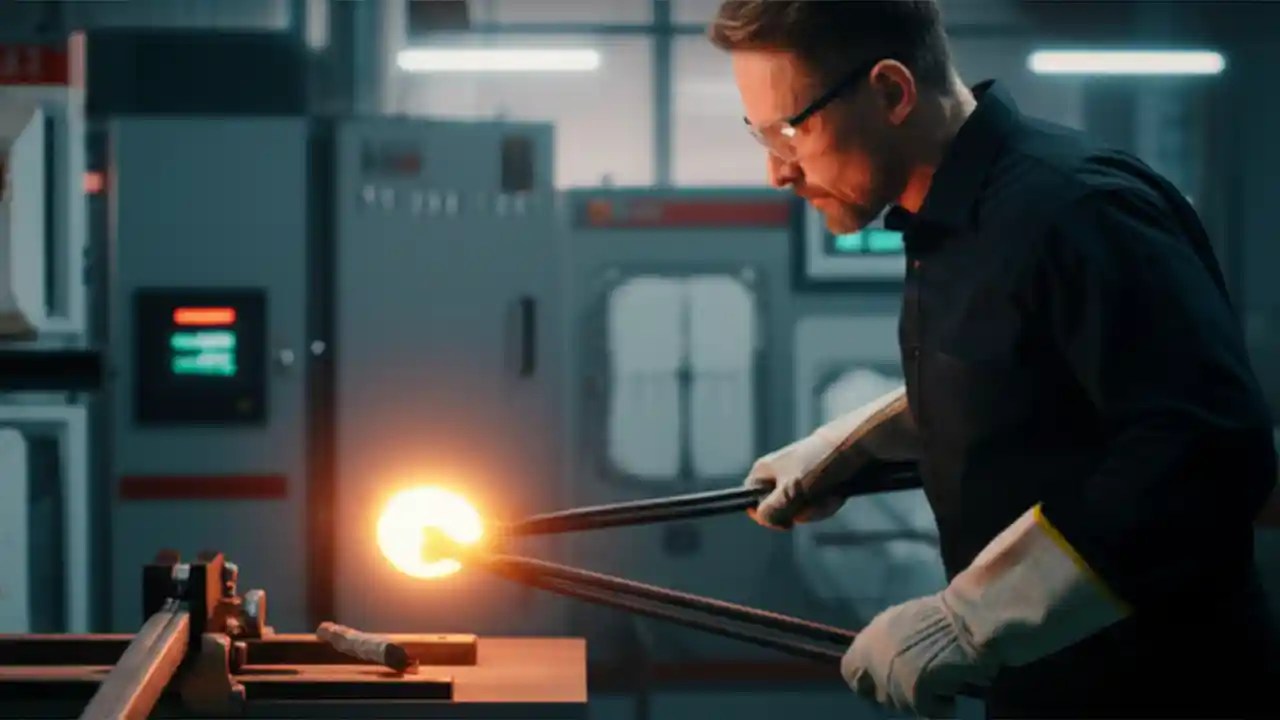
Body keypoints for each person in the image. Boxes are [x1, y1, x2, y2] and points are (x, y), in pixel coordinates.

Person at [711, 1, 1279, 717]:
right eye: (760, 133)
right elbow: (1034, 376)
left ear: (891, 92)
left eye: (790, 131)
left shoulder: (1077, 210)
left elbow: (1207, 451)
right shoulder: (950, 224)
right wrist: (866, 440)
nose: (777, 171)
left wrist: (973, 620)